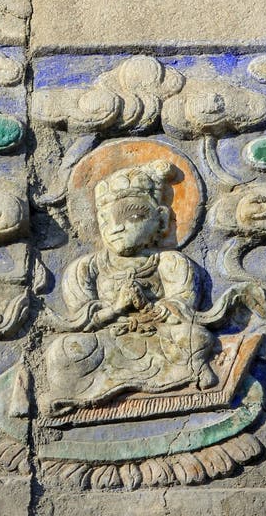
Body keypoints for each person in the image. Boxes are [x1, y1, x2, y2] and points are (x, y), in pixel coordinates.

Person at [45, 160, 217, 415]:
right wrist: (117, 308)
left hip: (159, 339)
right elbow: (83, 319)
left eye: (132, 217)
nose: (116, 227)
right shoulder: (86, 267)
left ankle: (185, 376)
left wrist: (147, 306)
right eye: (106, 220)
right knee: (63, 351)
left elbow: (182, 308)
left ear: (161, 220)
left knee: (195, 338)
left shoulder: (170, 262)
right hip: (107, 342)